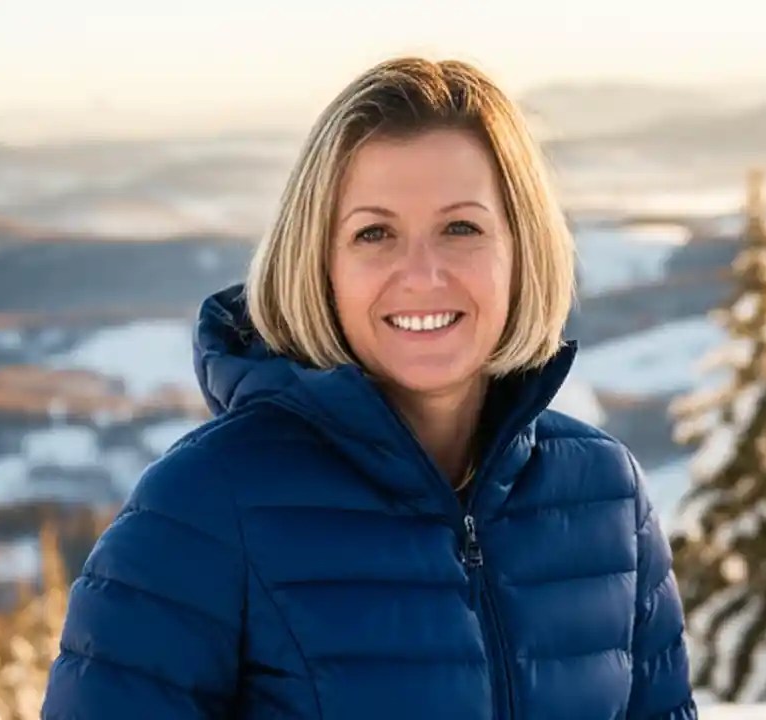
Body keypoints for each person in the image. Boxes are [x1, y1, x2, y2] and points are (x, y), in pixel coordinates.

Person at [42, 56, 697, 719]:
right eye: (374, 233)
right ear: (320, 265)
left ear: (521, 249)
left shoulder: (607, 495)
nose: (422, 274)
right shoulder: (204, 505)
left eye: (461, 228)